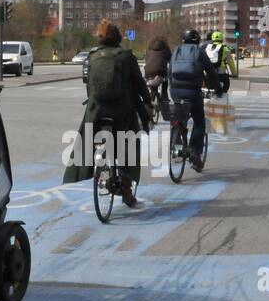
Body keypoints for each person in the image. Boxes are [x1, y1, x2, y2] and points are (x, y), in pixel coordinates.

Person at [63, 19, 150, 205]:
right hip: (122, 111)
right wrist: (148, 101)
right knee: (130, 146)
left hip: (97, 111)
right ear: (118, 37)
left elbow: (89, 85)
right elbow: (140, 84)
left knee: (86, 140)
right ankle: (127, 192)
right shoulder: (126, 56)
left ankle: (89, 167)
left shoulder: (92, 56)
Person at [168, 28, 219, 171]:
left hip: (176, 91)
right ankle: (194, 152)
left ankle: (177, 147)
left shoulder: (176, 50)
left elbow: (169, 71)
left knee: (178, 118)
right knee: (199, 122)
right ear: (197, 40)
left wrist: (172, 88)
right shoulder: (199, 52)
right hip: (192, 92)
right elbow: (211, 72)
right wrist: (218, 89)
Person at [143, 35, 171, 118]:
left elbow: (147, 60)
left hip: (147, 72)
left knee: (152, 86)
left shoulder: (148, 49)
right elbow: (171, 60)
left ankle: (151, 100)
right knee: (165, 80)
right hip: (160, 72)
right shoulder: (165, 50)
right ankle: (164, 97)